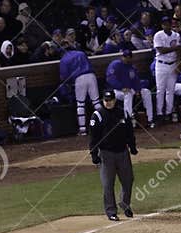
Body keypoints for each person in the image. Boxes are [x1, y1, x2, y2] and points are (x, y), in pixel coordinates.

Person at [89, 90, 138, 222]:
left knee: (128, 180)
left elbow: (129, 132)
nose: (108, 102)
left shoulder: (122, 113)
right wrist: (94, 154)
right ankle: (111, 211)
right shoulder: (97, 115)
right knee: (108, 184)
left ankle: (125, 203)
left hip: (122, 152)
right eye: (106, 100)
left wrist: (132, 146)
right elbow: (93, 137)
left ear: (115, 100)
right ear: (103, 100)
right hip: (106, 154)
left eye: (110, 100)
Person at [106, 48, 155, 128]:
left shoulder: (132, 67)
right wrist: (121, 87)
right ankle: (128, 120)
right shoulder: (116, 64)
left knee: (146, 92)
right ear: (122, 57)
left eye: (129, 57)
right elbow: (110, 79)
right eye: (125, 56)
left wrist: (138, 90)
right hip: (116, 90)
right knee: (128, 94)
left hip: (129, 89)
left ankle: (150, 119)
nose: (127, 58)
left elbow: (136, 81)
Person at [59, 45, 101, 136]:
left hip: (79, 78)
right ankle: (106, 124)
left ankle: (82, 129)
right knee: (96, 102)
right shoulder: (81, 53)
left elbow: (64, 76)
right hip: (91, 75)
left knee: (80, 104)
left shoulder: (64, 59)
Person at [152, 16, 181, 123]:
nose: (166, 25)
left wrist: (178, 64)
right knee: (160, 90)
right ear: (162, 25)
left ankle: (169, 113)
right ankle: (159, 113)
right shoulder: (158, 35)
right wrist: (175, 48)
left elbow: (179, 51)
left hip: (172, 64)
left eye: (168, 23)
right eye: (164, 24)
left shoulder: (176, 35)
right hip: (161, 64)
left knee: (171, 90)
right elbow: (161, 50)